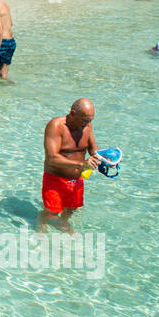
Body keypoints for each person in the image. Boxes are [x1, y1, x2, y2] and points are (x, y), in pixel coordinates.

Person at [40, 99, 102, 234]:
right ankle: (41, 222)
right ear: (73, 113)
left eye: (90, 120)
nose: (88, 124)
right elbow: (52, 158)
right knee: (52, 211)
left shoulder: (87, 126)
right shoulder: (56, 126)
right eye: (85, 120)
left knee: (72, 207)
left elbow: (93, 148)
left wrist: (102, 157)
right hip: (56, 178)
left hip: (77, 178)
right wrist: (82, 163)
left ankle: (62, 222)